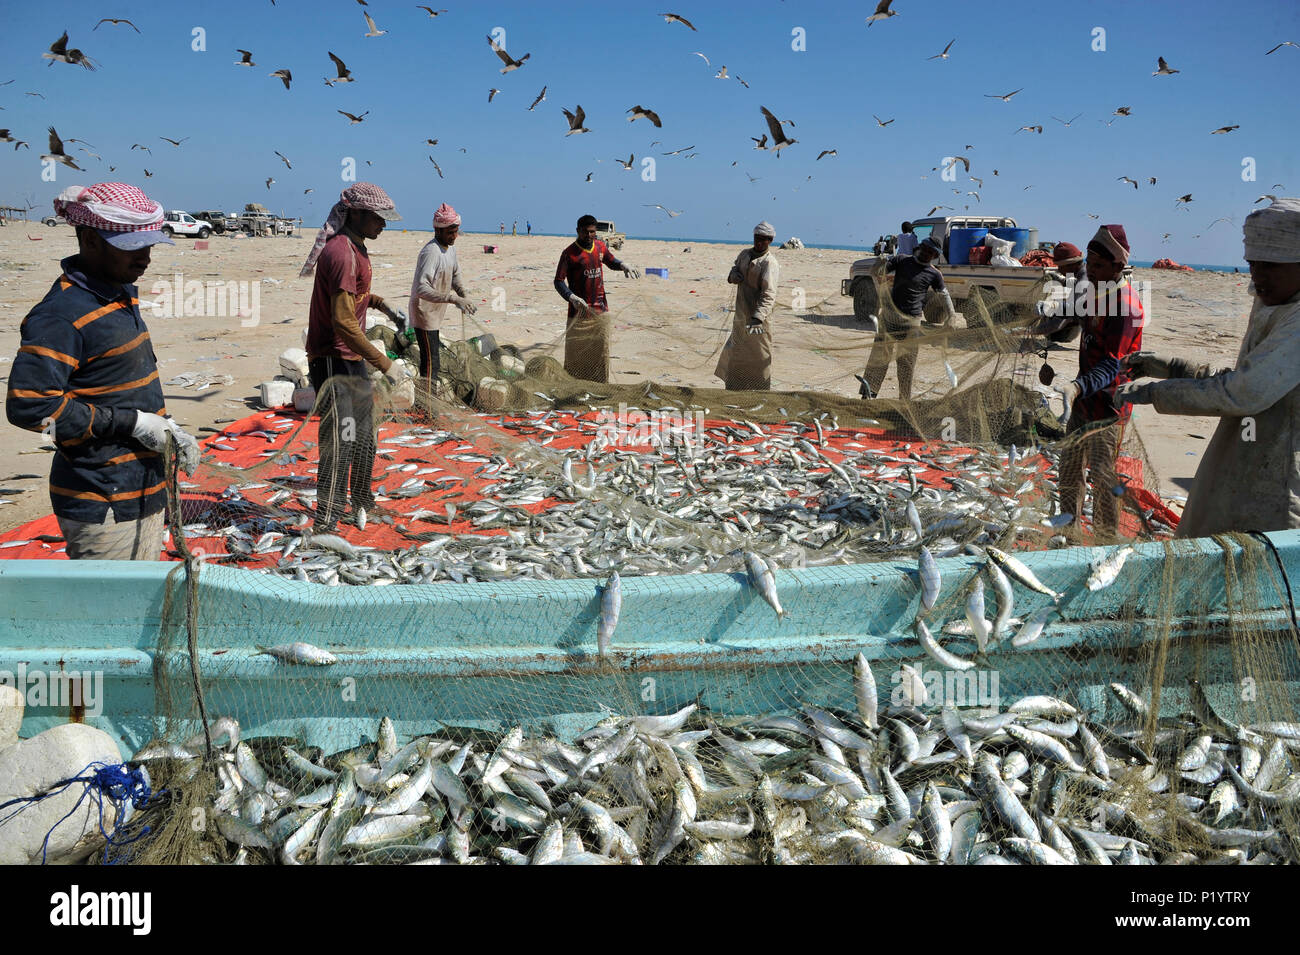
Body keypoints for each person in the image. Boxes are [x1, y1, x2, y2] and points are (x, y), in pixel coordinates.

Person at [6, 182, 199, 560]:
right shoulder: (61, 315)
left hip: (143, 490)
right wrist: (133, 423)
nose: (145, 258)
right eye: (132, 248)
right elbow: (29, 408)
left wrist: (167, 427)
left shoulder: (118, 292)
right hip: (103, 501)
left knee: (141, 603)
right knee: (117, 614)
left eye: (149, 246)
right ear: (91, 240)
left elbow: (114, 384)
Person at [1116, 198, 1300, 538]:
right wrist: (1172, 368)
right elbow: (1240, 377)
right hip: (1242, 462)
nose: (1258, 274)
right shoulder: (1272, 303)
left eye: (1271, 265)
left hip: (1278, 485)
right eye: (1252, 263)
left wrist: (1156, 393)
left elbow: (1243, 393)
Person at [300, 182, 412, 532]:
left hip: (350, 358)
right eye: (379, 218)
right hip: (333, 360)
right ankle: (327, 520)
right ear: (359, 214)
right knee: (341, 439)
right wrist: (385, 363)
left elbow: (353, 293)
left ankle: (361, 501)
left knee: (365, 432)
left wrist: (380, 304)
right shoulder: (341, 252)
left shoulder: (356, 248)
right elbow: (343, 321)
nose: (384, 224)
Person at [1051, 224, 1144, 539]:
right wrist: (1044, 322)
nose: (1091, 271)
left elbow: (1111, 366)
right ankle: (1070, 529)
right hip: (1082, 403)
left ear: (1119, 266)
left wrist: (1075, 386)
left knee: (1104, 477)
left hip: (1109, 408)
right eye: (1089, 264)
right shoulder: (1093, 290)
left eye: (1099, 266)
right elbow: (1076, 315)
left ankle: (1105, 538)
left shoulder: (1126, 307)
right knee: (1069, 468)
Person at [859, 236, 957, 400]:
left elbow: (944, 295)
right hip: (888, 319)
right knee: (878, 360)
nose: (926, 253)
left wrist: (952, 315)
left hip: (911, 324)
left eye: (931, 252)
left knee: (906, 366)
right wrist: (878, 263)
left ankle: (904, 402)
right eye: (925, 249)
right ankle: (868, 397)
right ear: (920, 247)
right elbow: (875, 273)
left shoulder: (934, 274)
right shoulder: (901, 260)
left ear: (934, 256)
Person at [553, 213, 640, 382]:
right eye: (585, 232)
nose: (589, 235)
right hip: (578, 314)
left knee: (600, 354)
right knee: (575, 355)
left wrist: (622, 265)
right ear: (578, 231)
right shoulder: (569, 253)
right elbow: (558, 281)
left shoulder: (600, 246)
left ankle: (600, 385)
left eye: (592, 232)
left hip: (600, 311)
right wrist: (571, 297)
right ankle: (574, 386)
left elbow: (611, 261)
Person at [409, 202, 476, 412]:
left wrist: (463, 294)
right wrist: (453, 299)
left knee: (432, 359)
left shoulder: (451, 249)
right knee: (431, 362)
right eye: (450, 232)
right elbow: (422, 288)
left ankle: (427, 403)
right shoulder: (431, 252)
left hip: (436, 312)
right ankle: (427, 407)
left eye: (456, 231)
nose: (454, 236)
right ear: (437, 230)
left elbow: (455, 274)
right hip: (424, 313)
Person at [719, 221, 781, 390]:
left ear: (770, 241)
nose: (759, 242)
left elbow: (769, 294)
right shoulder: (745, 255)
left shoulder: (769, 263)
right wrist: (734, 276)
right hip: (741, 315)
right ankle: (734, 387)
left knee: (759, 355)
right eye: (756, 238)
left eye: (763, 239)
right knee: (737, 352)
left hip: (758, 321)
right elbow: (734, 270)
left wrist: (758, 316)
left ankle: (760, 389)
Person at [1030, 241, 1089, 343]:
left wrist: (1032, 331)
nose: (1059, 270)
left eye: (1061, 267)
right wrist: (1062, 280)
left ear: (1072, 265)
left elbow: (1068, 314)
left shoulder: (1084, 279)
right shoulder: (1082, 273)